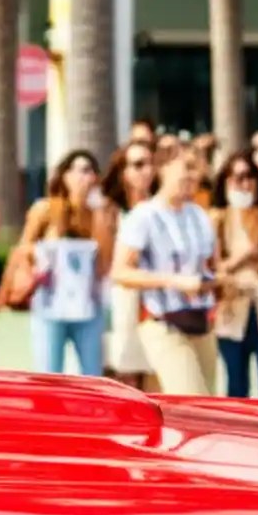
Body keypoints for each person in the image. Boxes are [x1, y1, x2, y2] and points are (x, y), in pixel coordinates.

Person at [111, 147, 219, 396]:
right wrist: (175, 282)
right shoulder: (144, 216)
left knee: (208, 406)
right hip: (164, 323)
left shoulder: (200, 216)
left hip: (201, 322)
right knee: (193, 401)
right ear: (164, 169)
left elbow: (212, 266)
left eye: (195, 169)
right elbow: (120, 272)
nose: (192, 176)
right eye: (186, 168)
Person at [14, 150, 112, 376]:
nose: (84, 178)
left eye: (90, 172)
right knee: (49, 375)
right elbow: (23, 248)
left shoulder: (97, 215)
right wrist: (45, 252)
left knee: (92, 376)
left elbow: (104, 264)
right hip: (51, 305)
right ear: (65, 175)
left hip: (87, 307)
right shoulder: (45, 209)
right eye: (79, 170)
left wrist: (100, 216)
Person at [211, 151, 258, 399]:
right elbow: (211, 269)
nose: (245, 183)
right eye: (238, 177)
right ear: (227, 181)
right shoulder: (216, 219)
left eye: (250, 177)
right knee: (236, 390)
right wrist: (241, 258)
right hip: (231, 312)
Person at [100, 141, 158, 390]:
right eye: (137, 165)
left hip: (155, 300)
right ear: (123, 171)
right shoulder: (110, 212)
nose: (146, 170)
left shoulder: (161, 208)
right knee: (123, 377)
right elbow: (105, 262)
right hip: (119, 300)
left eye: (149, 163)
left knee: (155, 377)